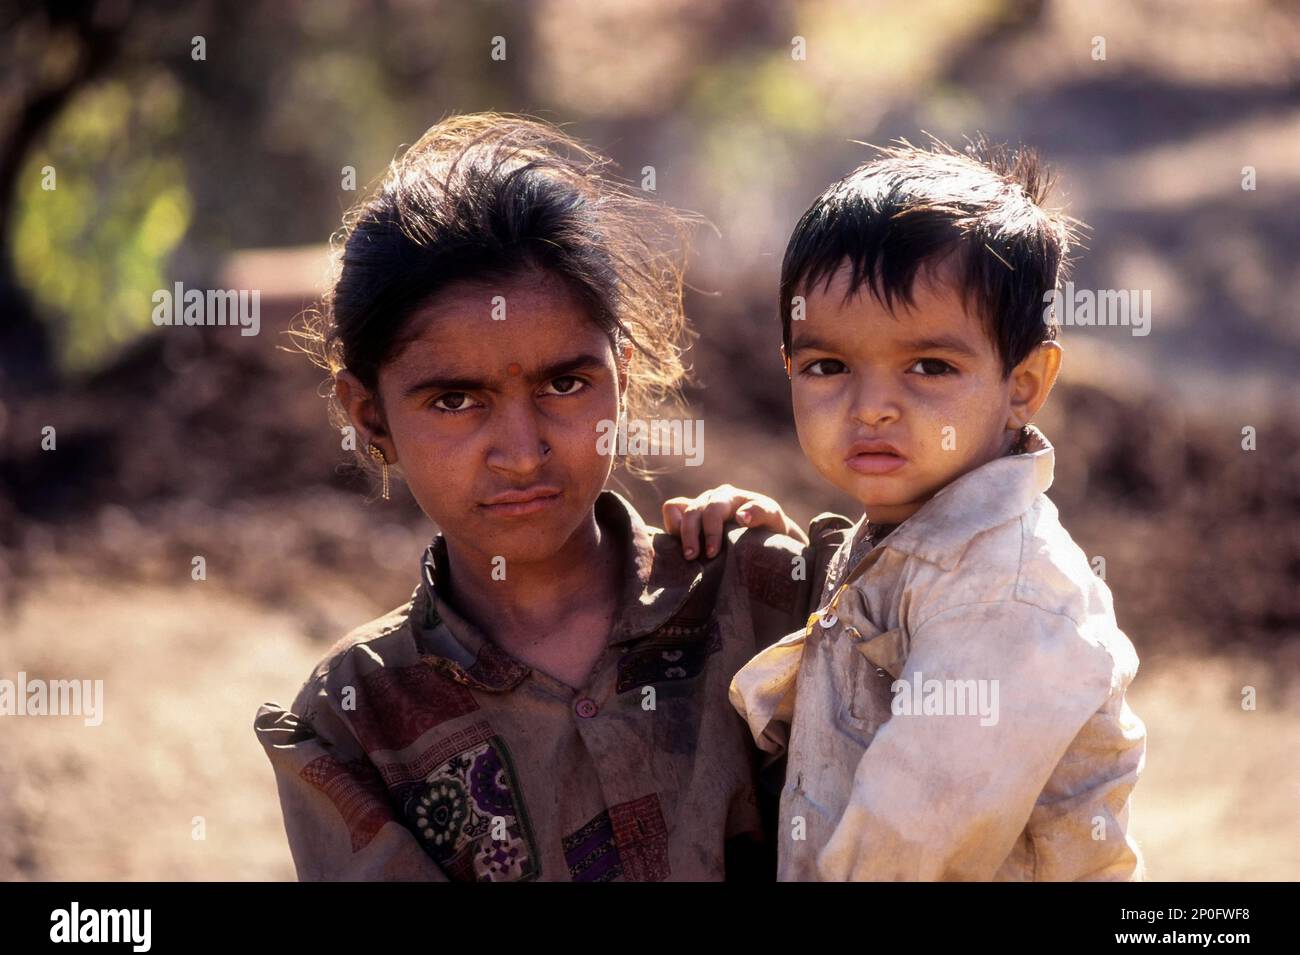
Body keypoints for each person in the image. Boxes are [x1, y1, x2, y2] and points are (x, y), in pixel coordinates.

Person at [252, 113, 826, 881]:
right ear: (370, 417)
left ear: (621, 374)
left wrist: (794, 580)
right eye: (455, 400)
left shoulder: (759, 603)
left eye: (565, 384)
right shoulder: (354, 723)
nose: (522, 453)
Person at [680, 139, 1147, 881]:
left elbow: (903, 848)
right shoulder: (909, 540)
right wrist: (783, 563)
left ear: (1023, 385)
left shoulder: (1005, 598)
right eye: (828, 367)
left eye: (929, 367)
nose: (871, 410)